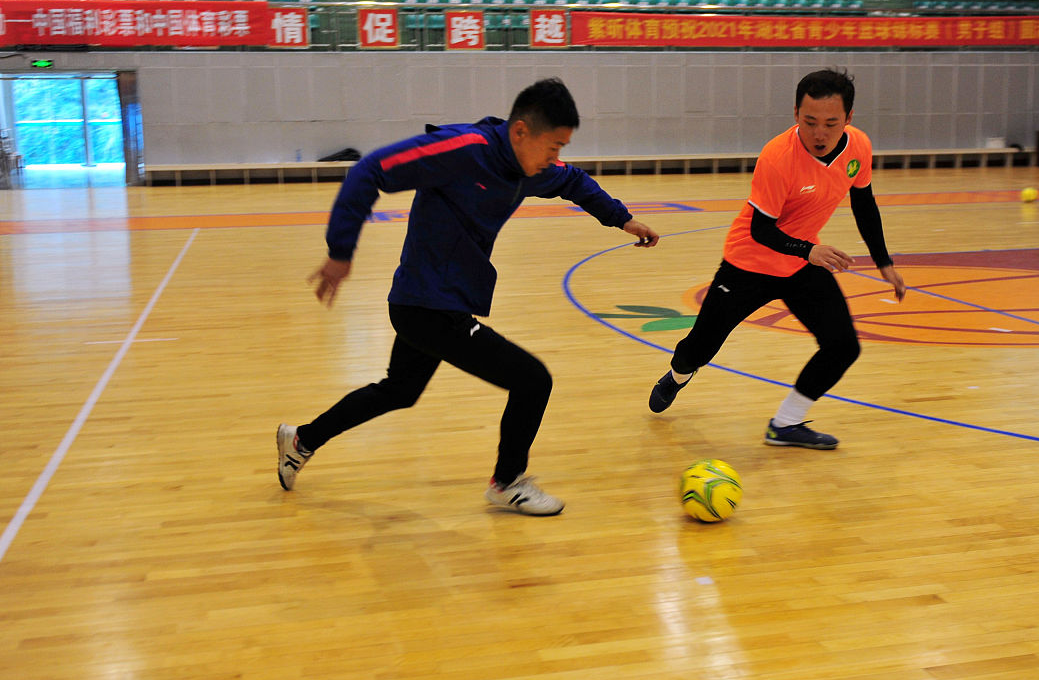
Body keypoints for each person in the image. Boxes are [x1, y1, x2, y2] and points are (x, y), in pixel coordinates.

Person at [277, 78, 660, 516]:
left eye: (561, 148)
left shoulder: (525, 167)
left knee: (399, 390)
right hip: (428, 305)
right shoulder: (461, 149)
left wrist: (623, 220)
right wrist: (340, 252)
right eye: (553, 146)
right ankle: (508, 481)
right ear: (520, 132)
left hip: (431, 302)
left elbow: (572, 181)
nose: (556, 158)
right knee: (532, 380)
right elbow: (370, 170)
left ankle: (301, 440)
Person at [647, 68, 905, 449]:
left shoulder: (858, 147)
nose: (819, 133)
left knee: (843, 346)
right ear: (795, 113)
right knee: (699, 349)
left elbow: (863, 202)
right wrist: (810, 250)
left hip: (801, 264)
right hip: (748, 264)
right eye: (809, 121)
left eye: (831, 123)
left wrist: (884, 261)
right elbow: (761, 230)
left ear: (848, 119)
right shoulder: (778, 156)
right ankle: (677, 374)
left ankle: (785, 424)